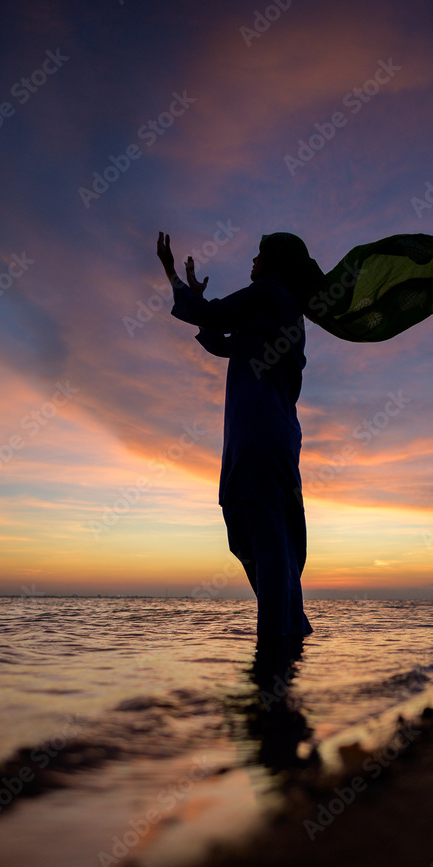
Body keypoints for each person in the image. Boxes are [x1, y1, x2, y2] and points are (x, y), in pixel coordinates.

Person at [157, 230, 317, 643]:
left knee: (262, 538)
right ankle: (290, 640)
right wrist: (195, 299)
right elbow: (221, 340)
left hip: (257, 435)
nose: (252, 261)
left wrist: (171, 274)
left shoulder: (268, 294)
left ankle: (274, 651)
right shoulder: (283, 311)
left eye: (259, 255)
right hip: (272, 437)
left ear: (274, 262)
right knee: (274, 541)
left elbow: (211, 315)